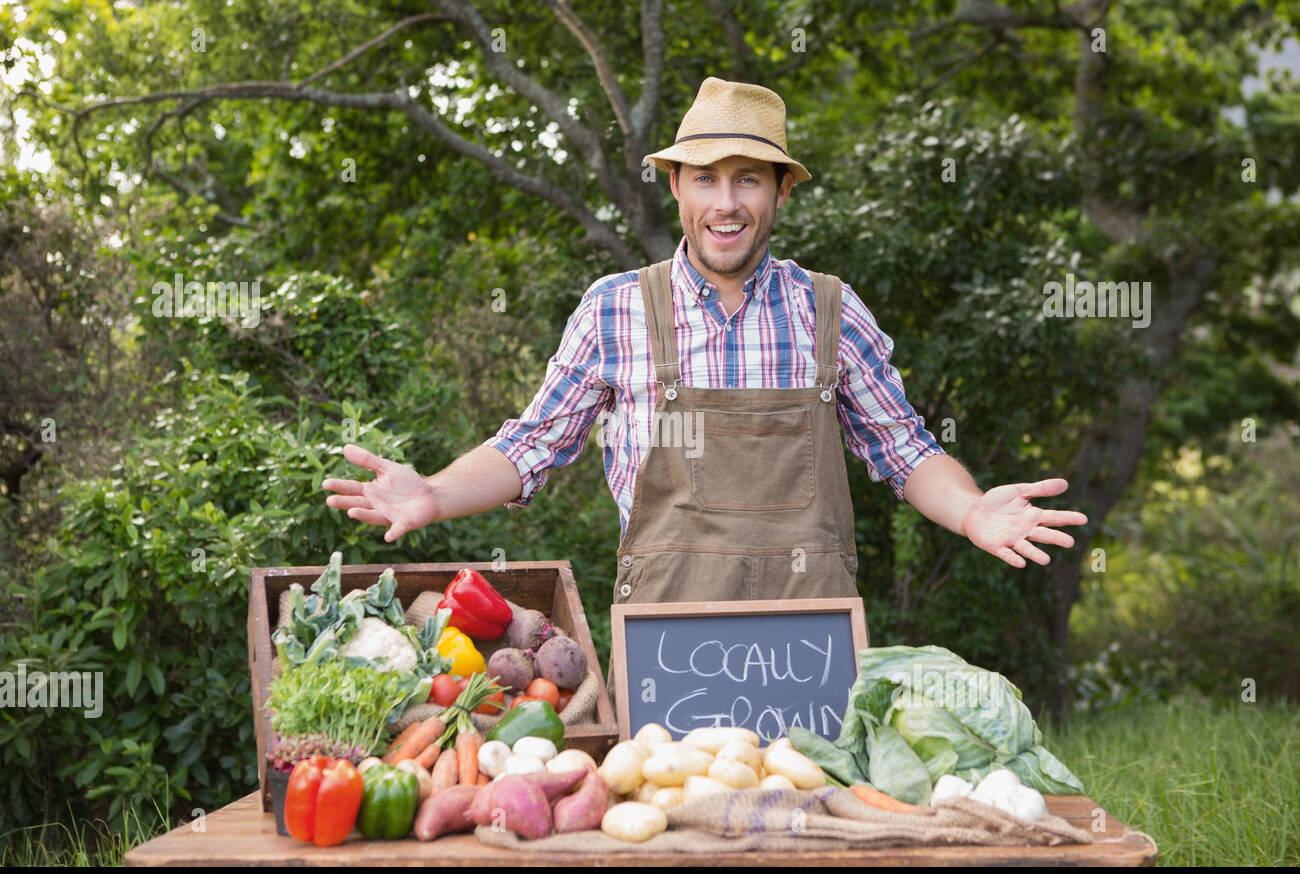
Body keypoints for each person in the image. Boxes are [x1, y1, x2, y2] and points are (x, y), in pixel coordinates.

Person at [323, 77, 1086, 605]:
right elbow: (530, 446)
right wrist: (434, 493)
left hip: (810, 637)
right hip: (667, 643)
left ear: (782, 190)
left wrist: (972, 511)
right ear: (676, 186)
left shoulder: (829, 311)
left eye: (749, 179)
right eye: (706, 180)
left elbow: (906, 450)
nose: (727, 204)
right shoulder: (614, 309)